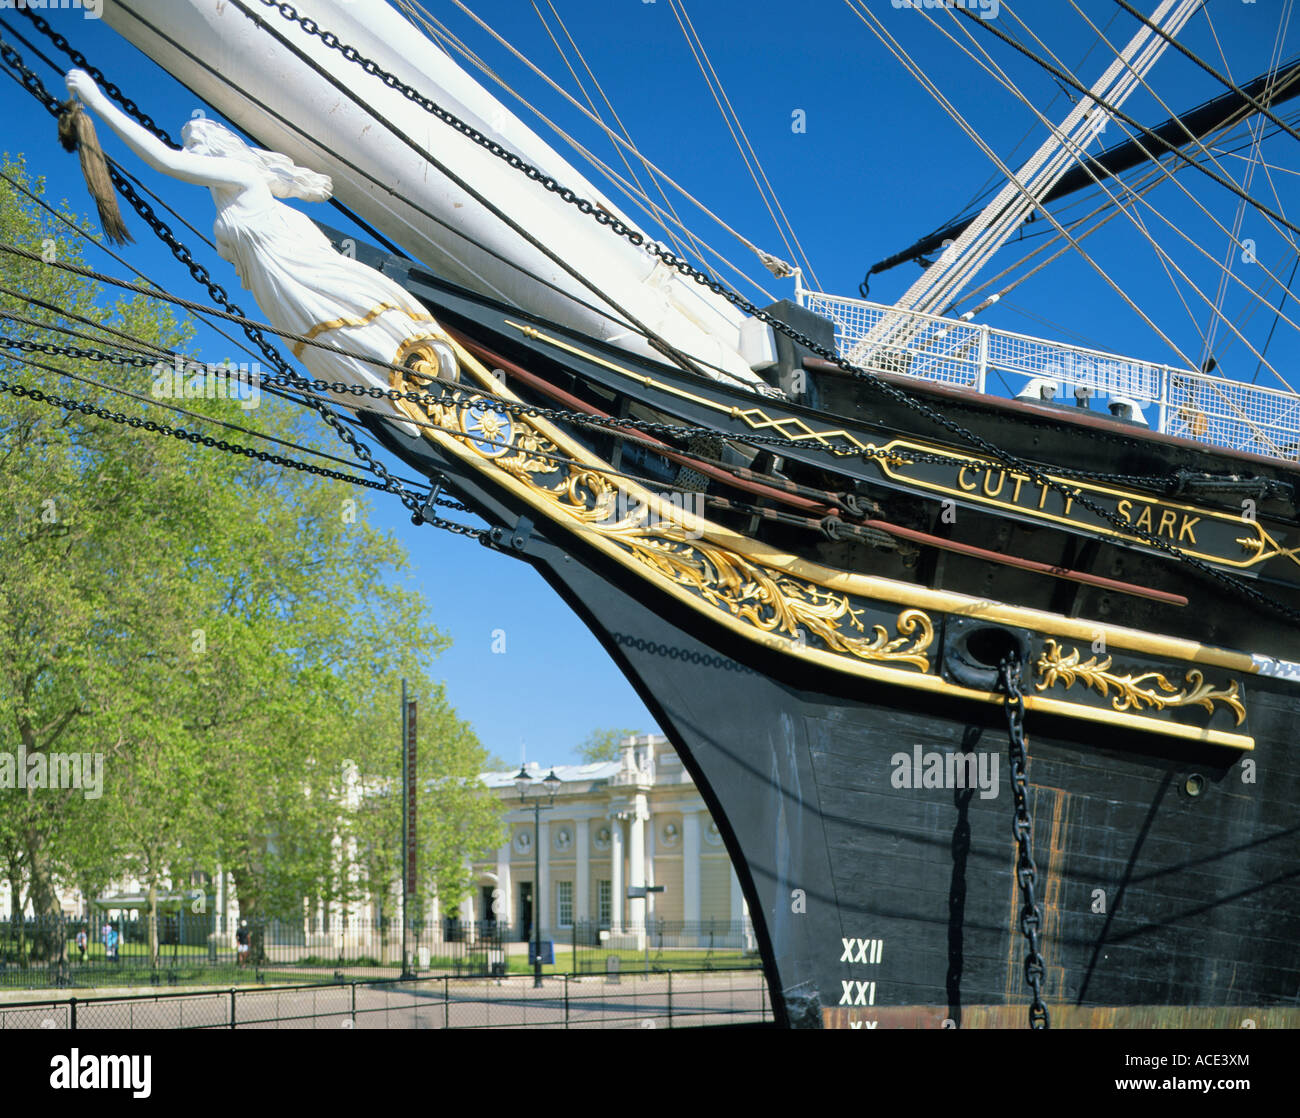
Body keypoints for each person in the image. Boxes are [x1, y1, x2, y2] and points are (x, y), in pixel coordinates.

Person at [63, 69, 456, 434]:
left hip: (303, 275)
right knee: (333, 351)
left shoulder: (246, 178)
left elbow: (165, 161)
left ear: (219, 149)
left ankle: (413, 379)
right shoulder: (225, 209)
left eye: (197, 143)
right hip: (280, 294)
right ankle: (390, 399)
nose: (192, 151)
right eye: (189, 145)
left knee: (354, 330)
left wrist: (98, 102)